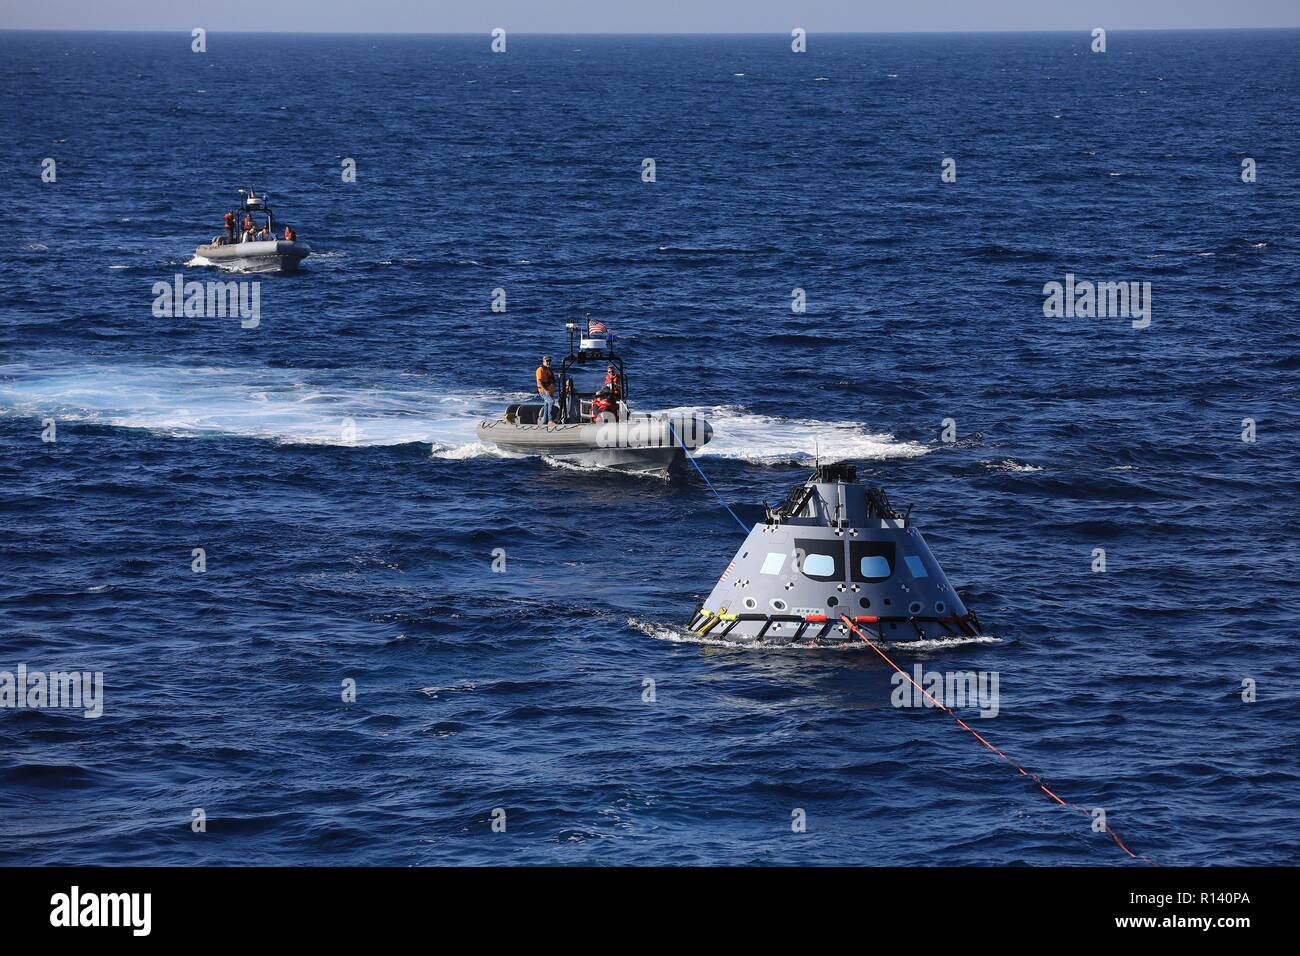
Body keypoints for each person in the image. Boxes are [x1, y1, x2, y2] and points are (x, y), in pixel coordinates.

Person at [535, 355, 555, 425]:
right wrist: (545, 391)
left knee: (546, 405)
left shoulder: (549, 370)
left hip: (550, 392)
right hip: (543, 391)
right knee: (551, 402)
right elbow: (539, 382)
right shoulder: (540, 370)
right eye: (547, 361)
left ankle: (544, 421)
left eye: (549, 361)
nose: (548, 362)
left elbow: (550, 380)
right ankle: (550, 420)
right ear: (543, 361)